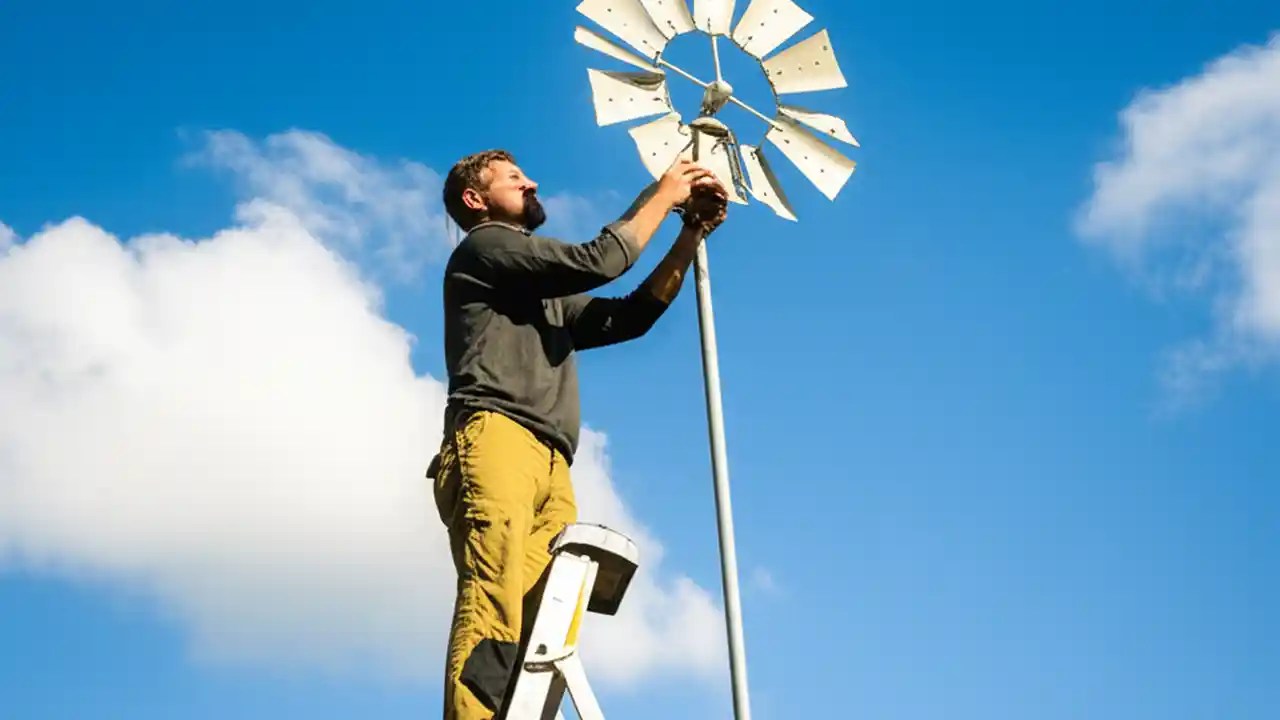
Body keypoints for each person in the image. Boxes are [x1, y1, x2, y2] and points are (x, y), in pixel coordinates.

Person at [427, 148, 728, 720]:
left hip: (549, 459)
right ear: (475, 198)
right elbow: (601, 260)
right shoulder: (485, 247)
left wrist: (689, 233)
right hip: (497, 437)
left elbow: (628, 317)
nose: (532, 181)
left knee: (545, 621)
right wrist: (664, 194)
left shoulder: (539, 290)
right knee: (495, 601)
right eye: (515, 178)